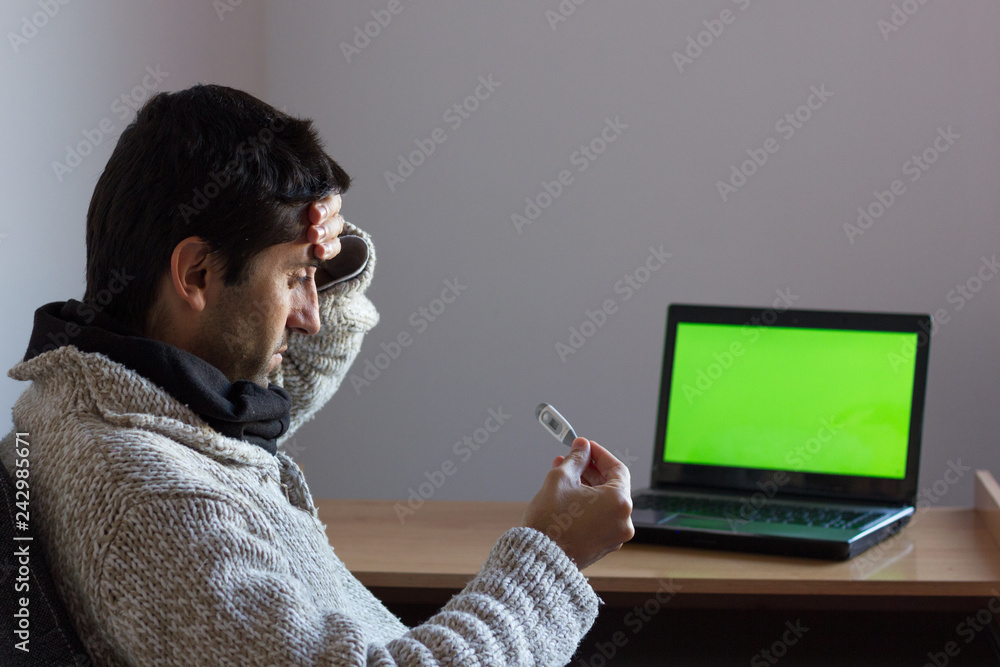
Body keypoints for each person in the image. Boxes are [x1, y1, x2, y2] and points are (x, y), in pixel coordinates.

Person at [0, 84, 634, 666]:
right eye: (297, 278)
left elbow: (293, 374)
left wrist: (326, 248)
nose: (312, 317)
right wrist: (552, 554)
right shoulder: (158, 503)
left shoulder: (109, 401)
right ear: (196, 275)